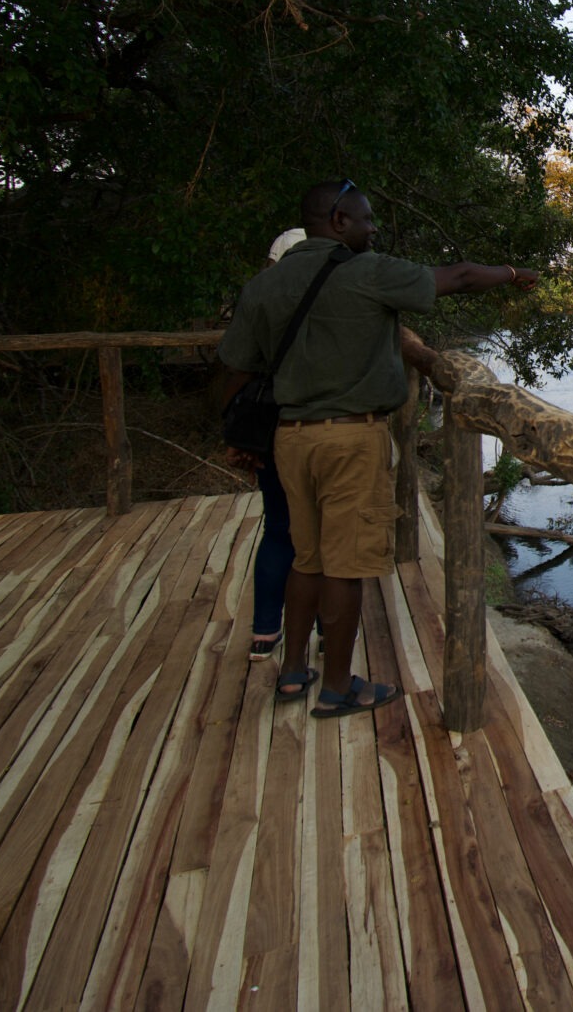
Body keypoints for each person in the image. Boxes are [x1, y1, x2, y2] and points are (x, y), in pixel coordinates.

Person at [216, 180, 535, 717]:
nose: (373, 229)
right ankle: (338, 686)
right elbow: (456, 277)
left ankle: (294, 672)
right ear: (338, 220)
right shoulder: (367, 272)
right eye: (366, 220)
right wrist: (510, 274)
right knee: (346, 565)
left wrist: (234, 436)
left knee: (307, 558)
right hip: (351, 438)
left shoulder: (265, 287)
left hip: (291, 440)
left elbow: (234, 368)